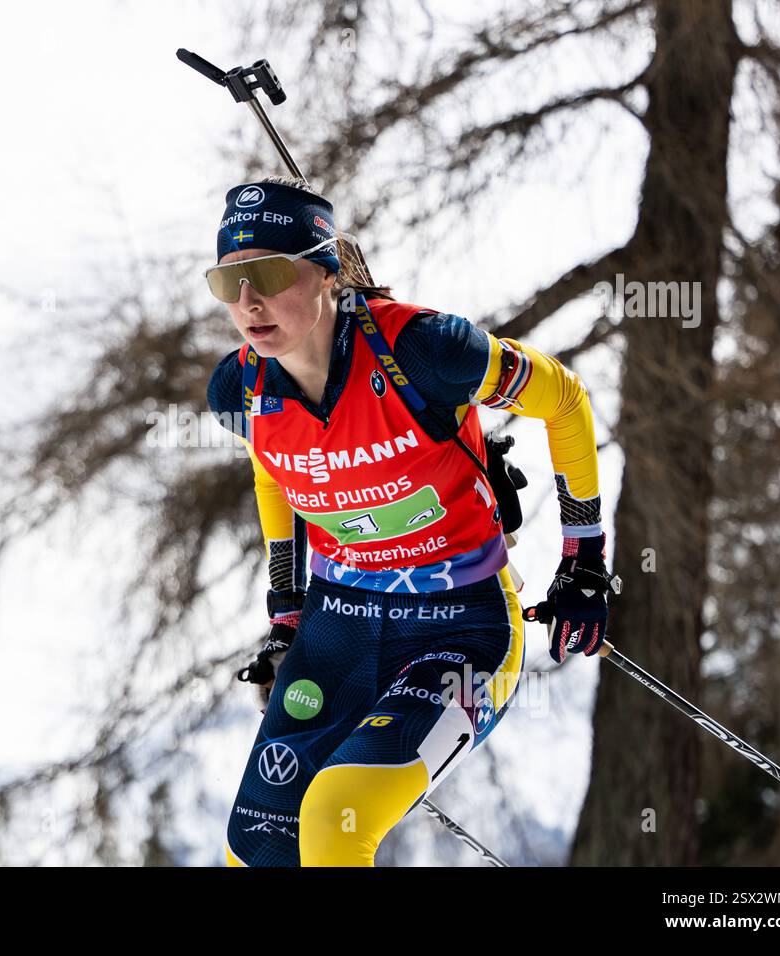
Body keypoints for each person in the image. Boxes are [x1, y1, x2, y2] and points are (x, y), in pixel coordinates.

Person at [205, 176, 619, 867]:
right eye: (229, 282)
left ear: (327, 272)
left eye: (272, 274)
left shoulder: (427, 351)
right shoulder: (238, 389)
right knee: (255, 850)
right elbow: (272, 468)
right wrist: (286, 608)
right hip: (337, 630)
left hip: (461, 631)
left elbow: (564, 398)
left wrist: (584, 558)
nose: (248, 302)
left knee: (336, 821)